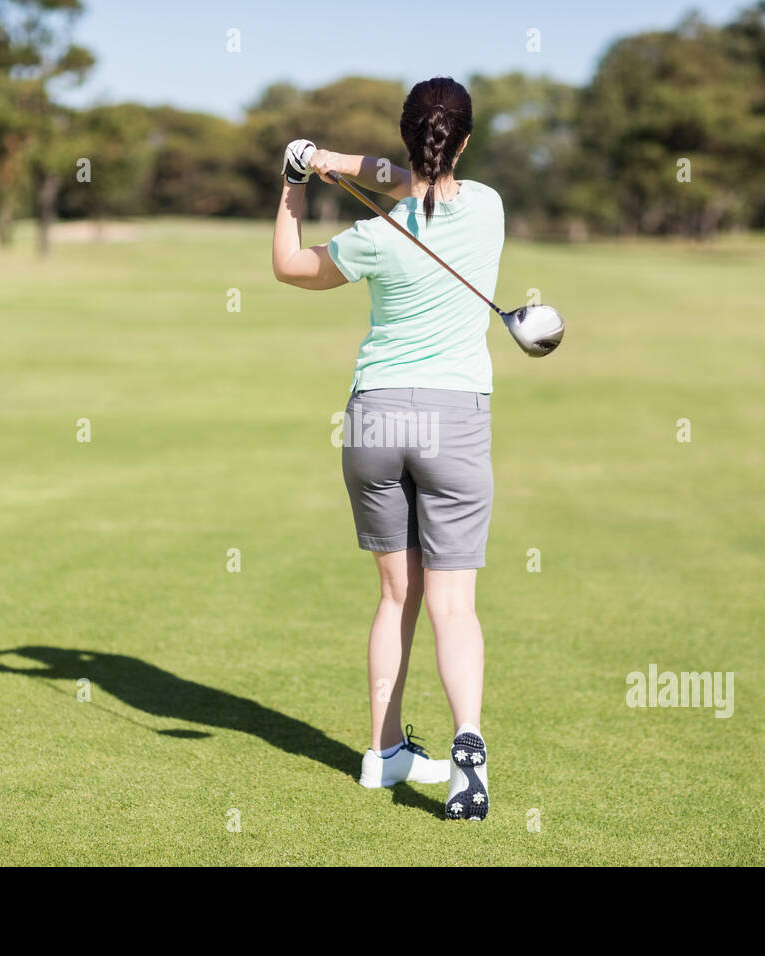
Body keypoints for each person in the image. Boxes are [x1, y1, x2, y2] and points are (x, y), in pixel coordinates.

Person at [271, 77, 501, 820]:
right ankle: (467, 743)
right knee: (453, 605)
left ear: (408, 136)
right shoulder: (491, 208)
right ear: (462, 139)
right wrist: (336, 160)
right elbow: (415, 180)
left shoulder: (372, 234)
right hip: (453, 417)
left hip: (372, 420)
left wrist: (296, 181)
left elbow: (289, 265)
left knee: (396, 595)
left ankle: (383, 753)